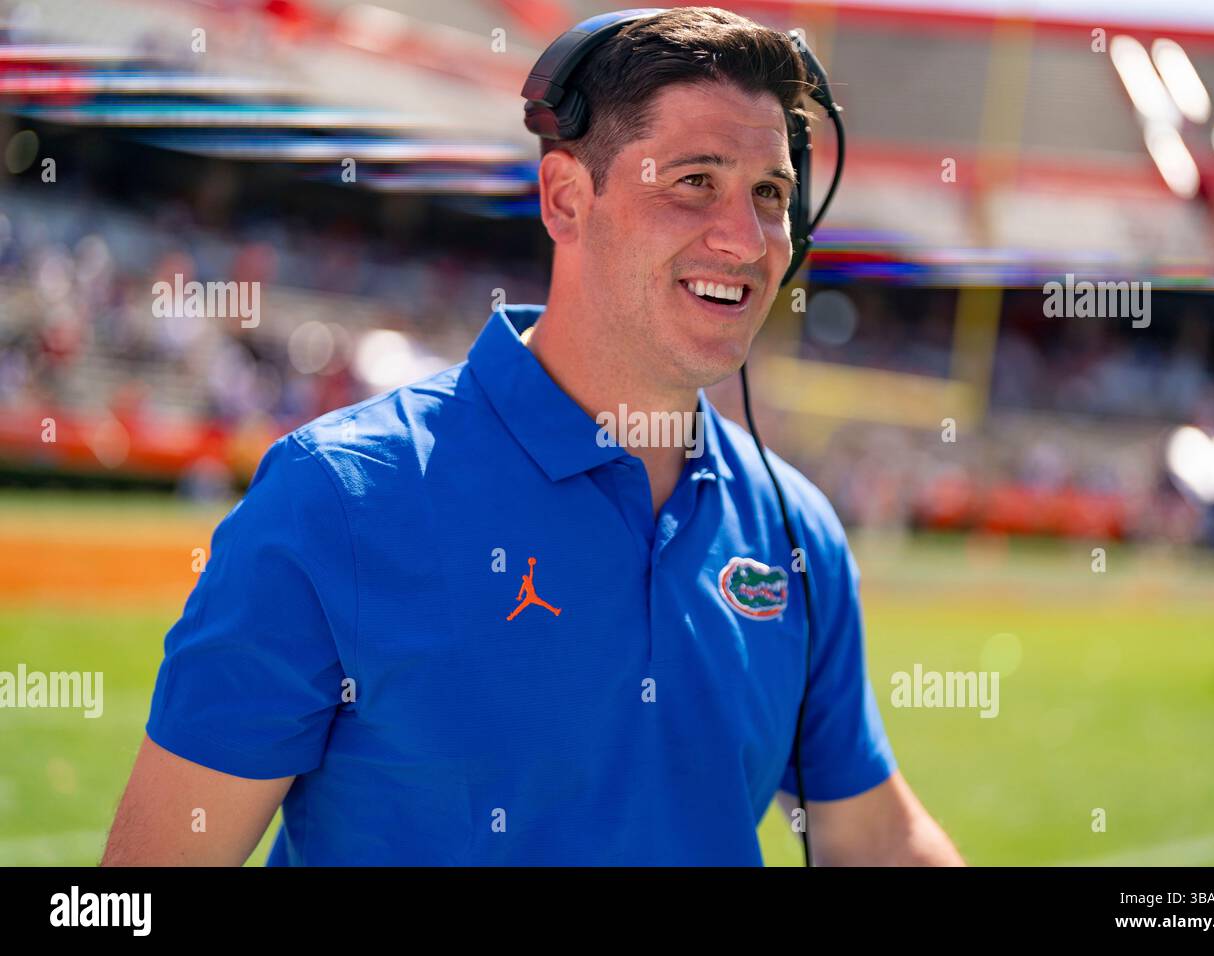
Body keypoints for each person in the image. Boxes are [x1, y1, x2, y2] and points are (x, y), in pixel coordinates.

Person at [103, 6, 961, 866]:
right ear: (565, 198)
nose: (745, 238)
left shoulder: (795, 528)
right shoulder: (337, 497)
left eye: (770, 194)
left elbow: (871, 835)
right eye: (695, 180)